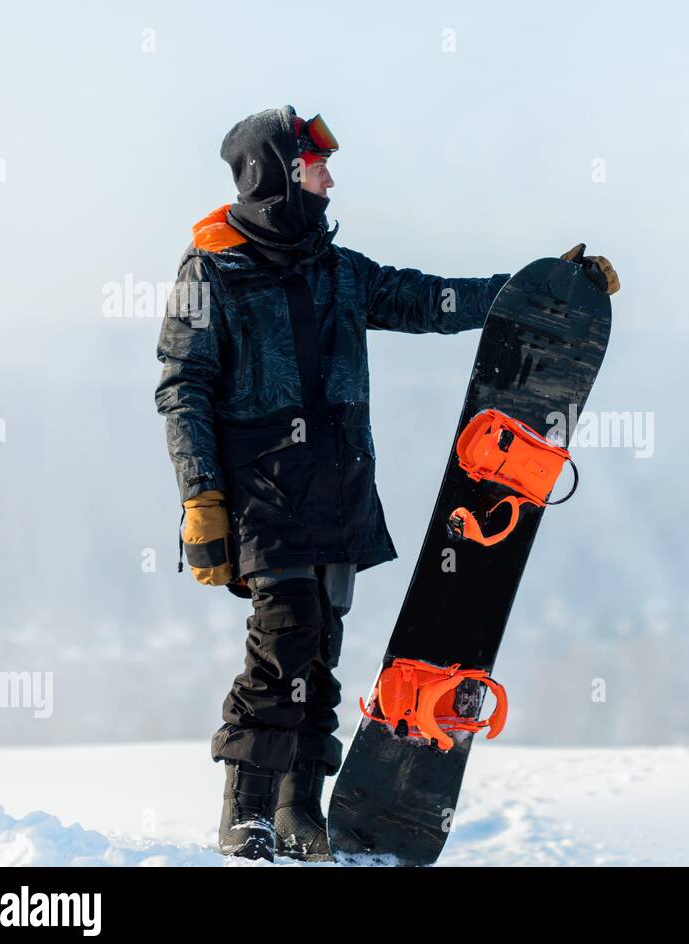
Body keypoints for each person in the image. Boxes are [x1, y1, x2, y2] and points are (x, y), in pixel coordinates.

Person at [154, 106, 619, 861]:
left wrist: (541, 292)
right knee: (284, 639)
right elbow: (183, 387)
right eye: (316, 167)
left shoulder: (336, 269)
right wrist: (200, 496)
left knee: (321, 650)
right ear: (275, 175)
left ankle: (298, 807)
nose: (330, 180)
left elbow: (426, 299)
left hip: (338, 490)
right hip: (262, 495)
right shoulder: (212, 270)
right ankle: (246, 811)